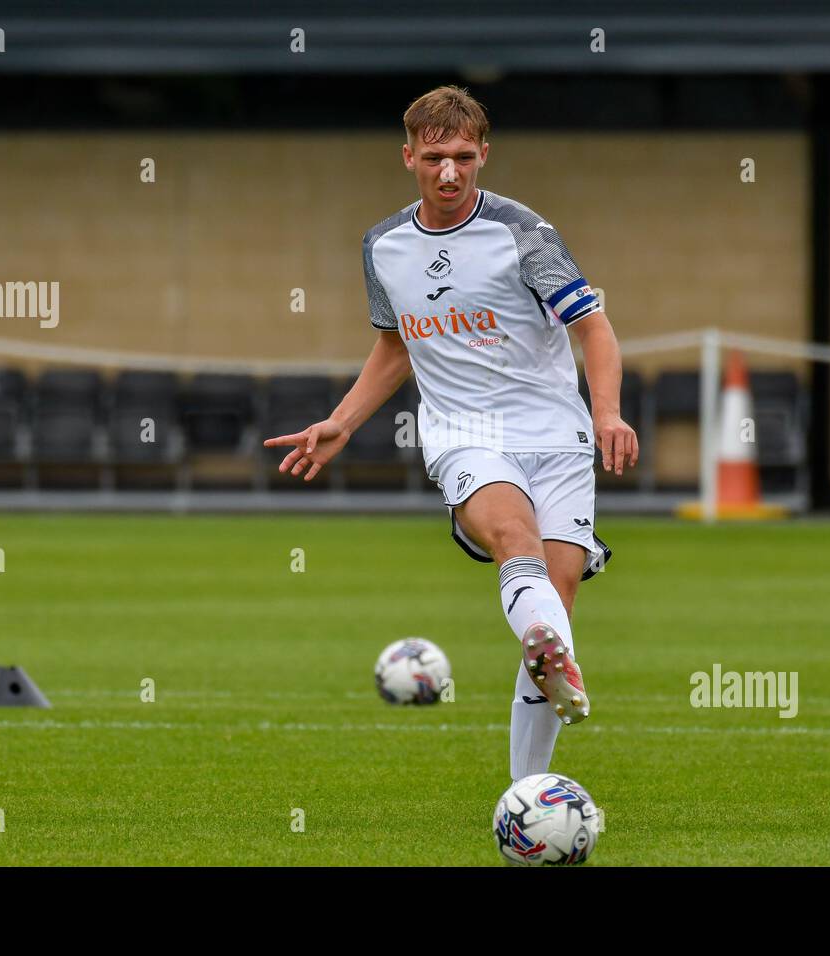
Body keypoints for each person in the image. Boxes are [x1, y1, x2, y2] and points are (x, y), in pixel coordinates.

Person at [264, 85, 638, 781]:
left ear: (484, 155)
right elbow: (395, 346)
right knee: (514, 545)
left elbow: (594, 327)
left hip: (556, 435)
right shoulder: (384, 246)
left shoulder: (524, 233)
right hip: (465, 433)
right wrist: (341, 422)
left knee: (554, 602)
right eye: (435, 157)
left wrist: (608, 412)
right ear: (409, 156)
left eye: (464, 157)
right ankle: (545, 649)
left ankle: (526, 795)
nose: (449, 172)